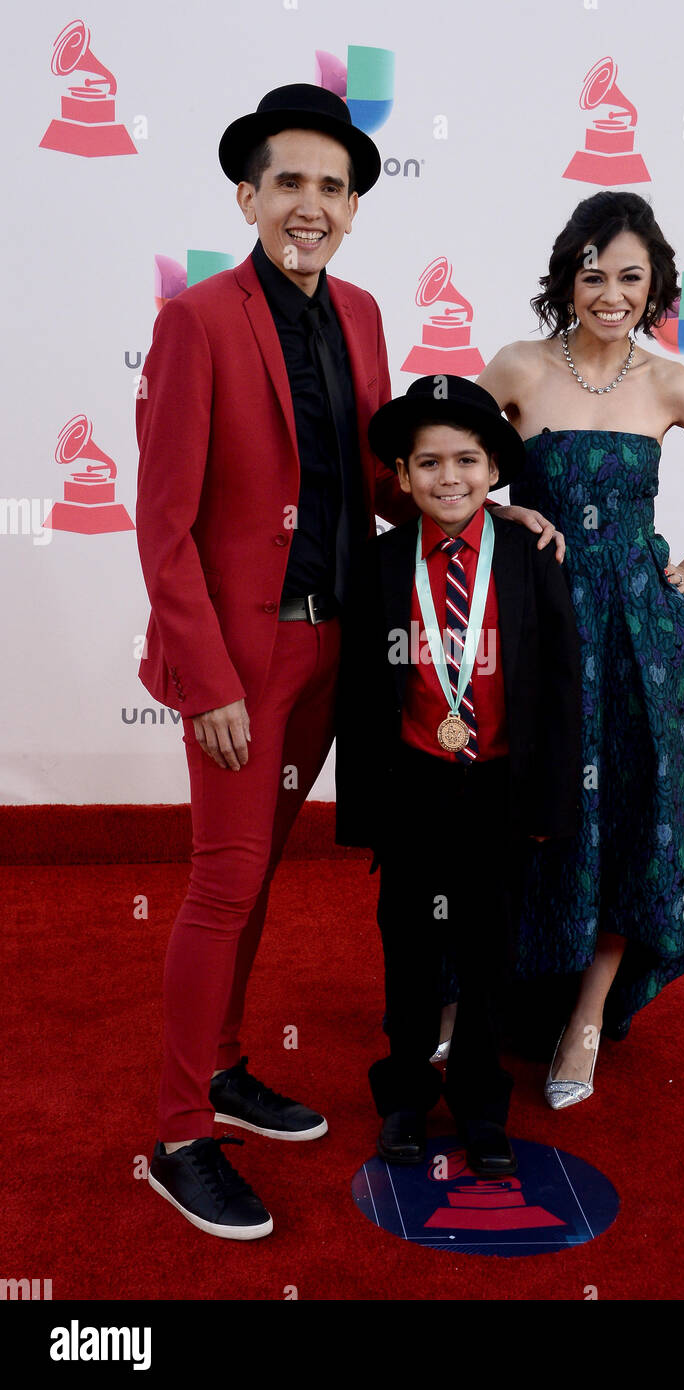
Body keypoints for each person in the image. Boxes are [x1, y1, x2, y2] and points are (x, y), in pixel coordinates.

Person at [136, 84, 562, 1239]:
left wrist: (490, 517)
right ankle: (179, 1135)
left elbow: (384, 482)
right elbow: (162, 521)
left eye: (333, 187)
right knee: (222, 881)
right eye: (289, 183)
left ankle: (224, 1067)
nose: (310, 205)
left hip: (340, 649)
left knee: (258, 873)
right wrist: (211, 678)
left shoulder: (365, 314)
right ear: (248, 194)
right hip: (241, 650)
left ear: (355, 207)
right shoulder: (197, 320)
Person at [478, 191, 684, 1109]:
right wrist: (503, 508)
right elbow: (444, 464)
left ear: (655, 288)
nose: (610, 293)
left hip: (644, 641)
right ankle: (477, 995)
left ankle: (586, 1020)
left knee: (634, 822)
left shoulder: (668, 383)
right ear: (567, 276)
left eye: (630, 278)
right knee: (516, 811)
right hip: (538, 631)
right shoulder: (517, 366)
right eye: (592, 273)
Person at [334, 376, 581, 1175]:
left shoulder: (528, 553)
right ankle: (404, 1096)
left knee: (488, 949)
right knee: (406, 943)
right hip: (413, 783)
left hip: (501, 786)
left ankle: (479, 1102)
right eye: (429, 463)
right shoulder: (376, 563)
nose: (450, 479)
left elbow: (558, 680)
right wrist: (364, 805)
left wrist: (549, 799)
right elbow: (359, 693)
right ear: (401, 476)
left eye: (467, 461)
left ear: (493, 471)